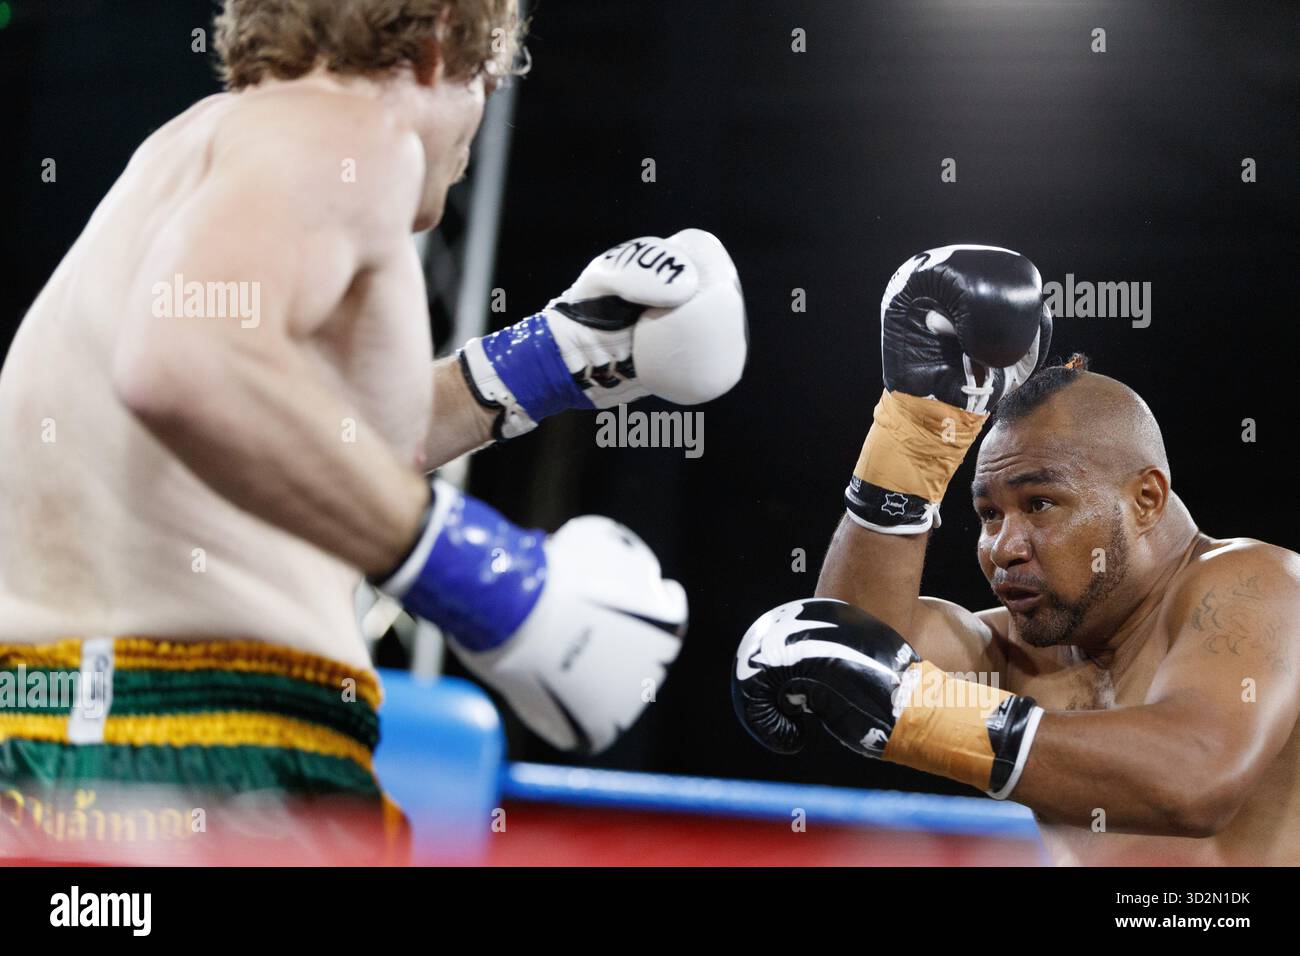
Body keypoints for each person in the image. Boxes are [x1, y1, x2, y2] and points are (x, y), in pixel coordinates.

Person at [0, 0, 746, 863]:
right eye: (489, 84)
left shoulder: (196, 149)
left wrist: (558, 356)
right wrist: (493, 582)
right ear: (437, 46)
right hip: (216, 756)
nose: (472, 135)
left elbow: (302, 442)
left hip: (52, 736)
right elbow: (187, 361)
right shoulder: (354, 129)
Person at [733, 245, 1300, 865]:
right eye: (989, 515)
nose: (1003, 547)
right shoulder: (1016, 653)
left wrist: (919, 713)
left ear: (1145, 498)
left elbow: (1195, 778)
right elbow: (851, 649)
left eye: (1040, 505)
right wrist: (915, 434)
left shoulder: (1258, 583)